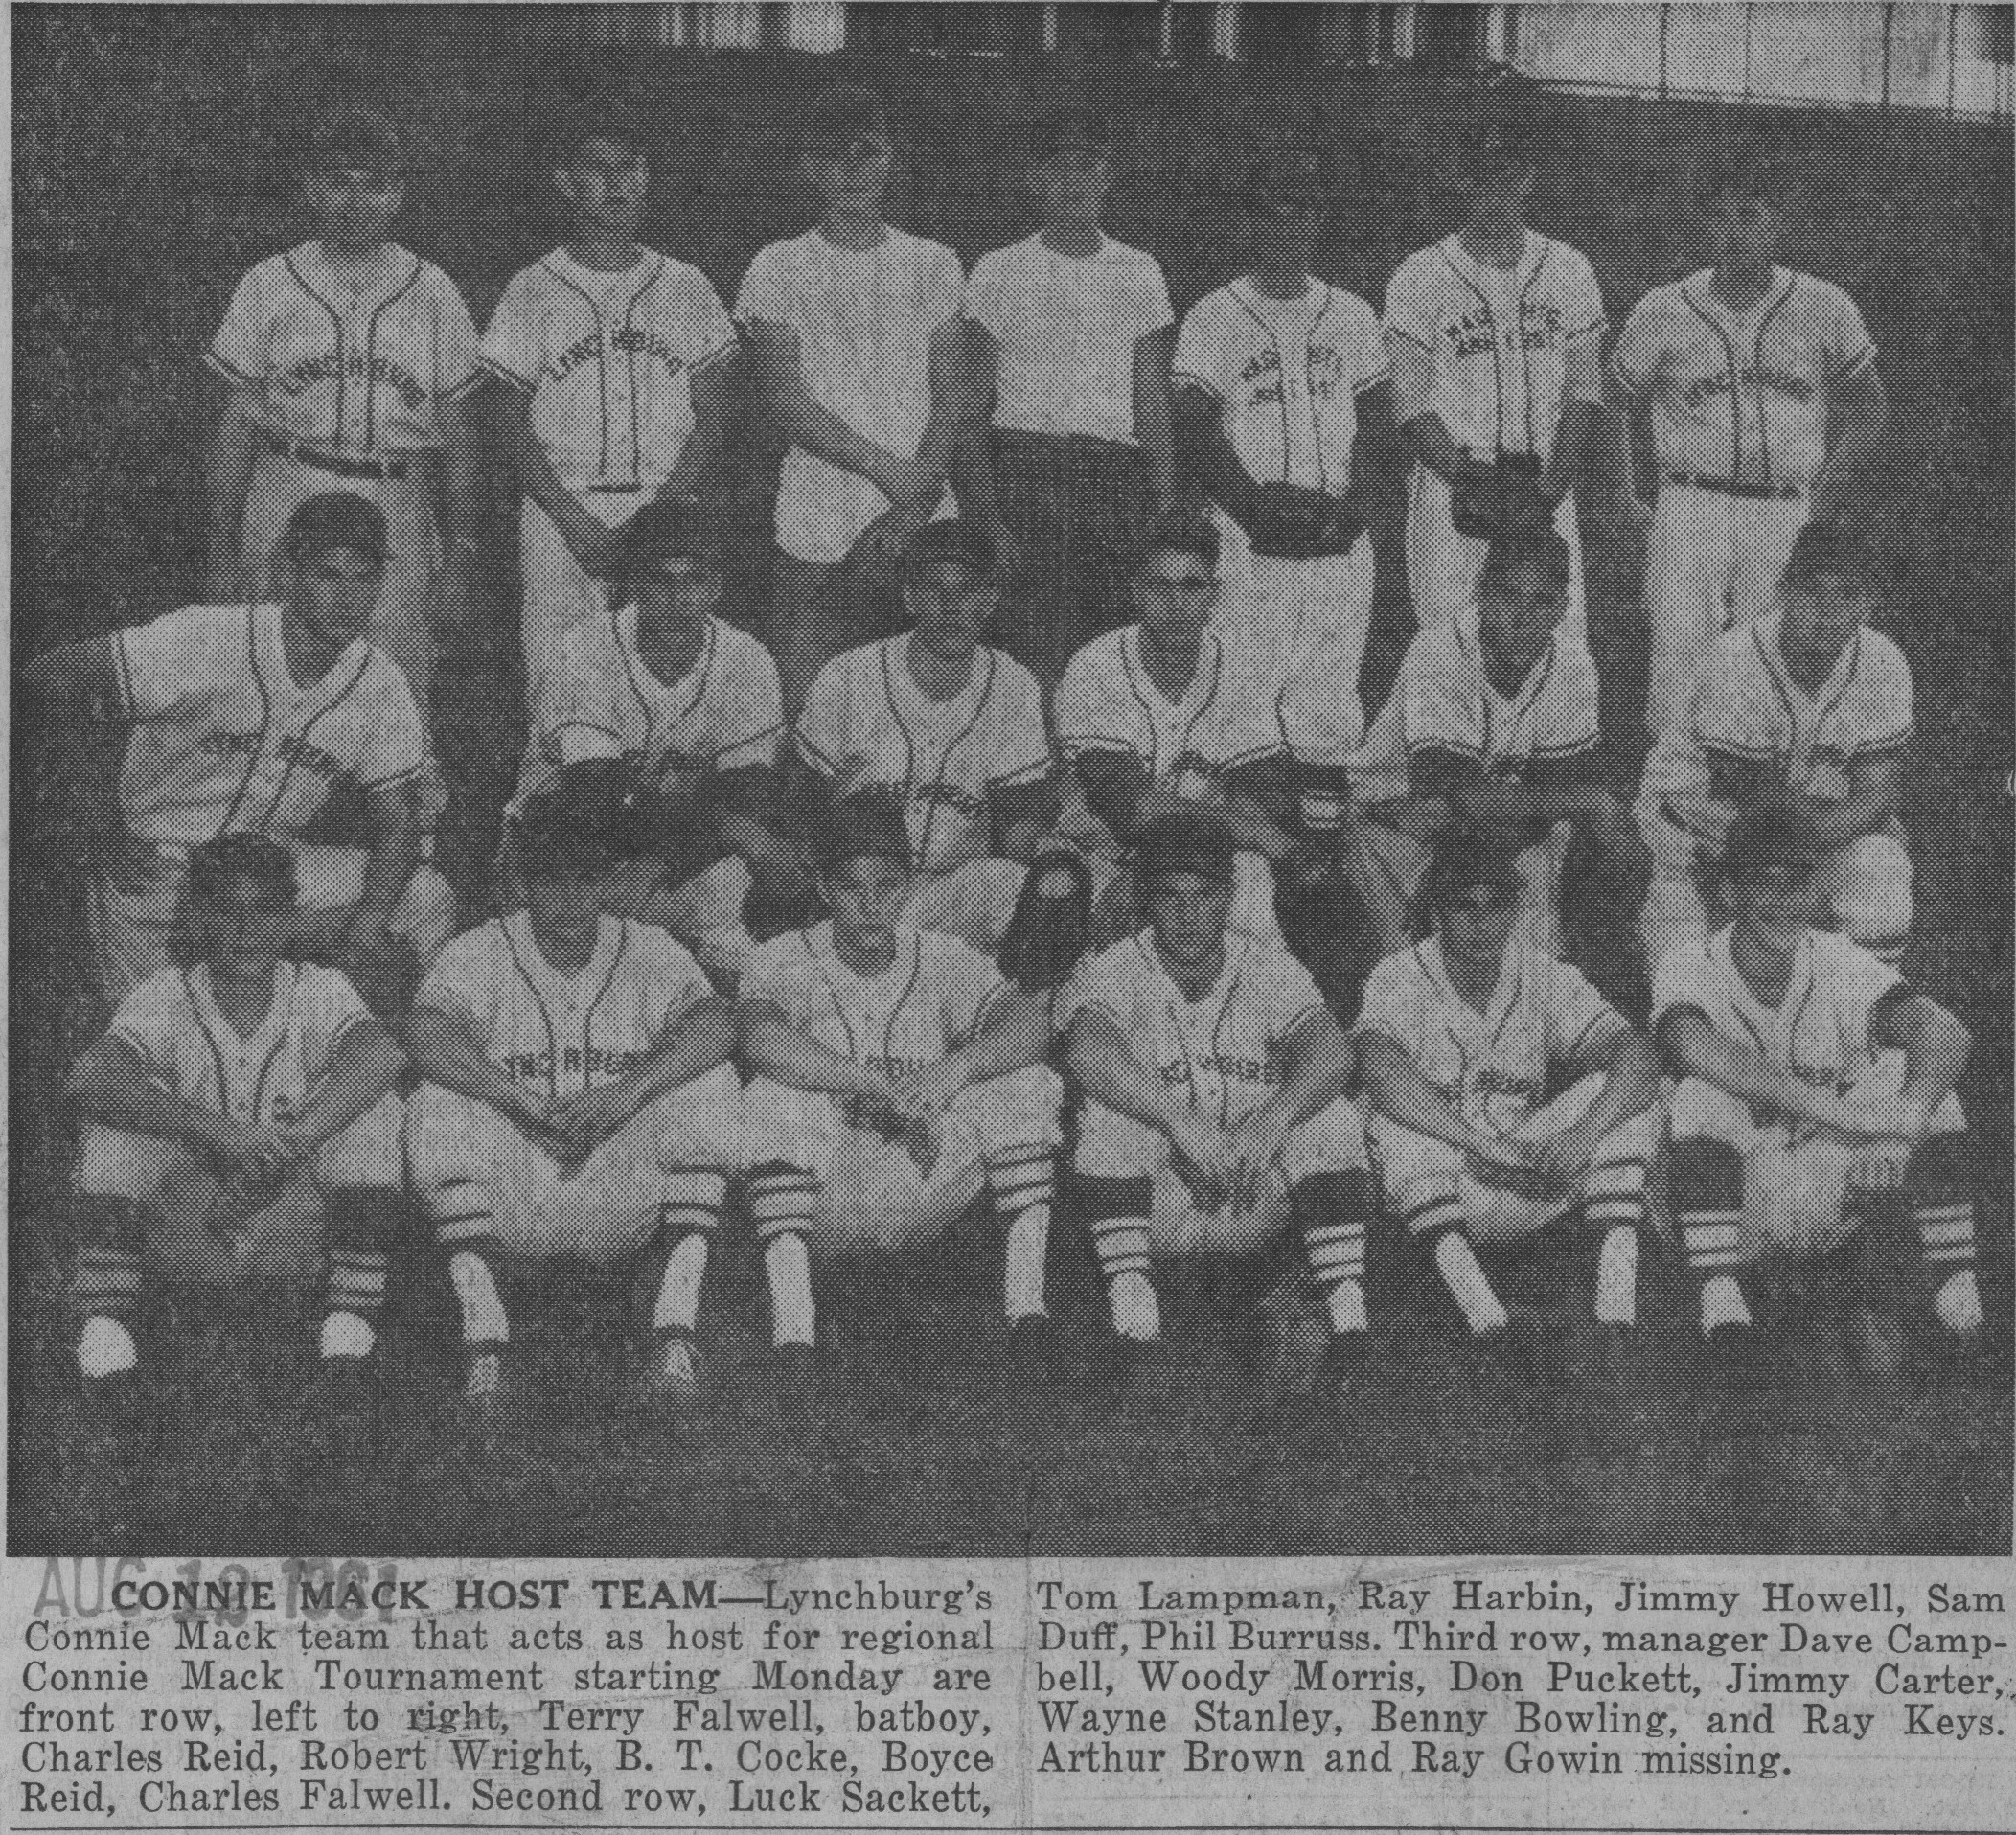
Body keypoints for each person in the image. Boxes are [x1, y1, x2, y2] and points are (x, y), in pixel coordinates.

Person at [24, 493, 454, 1008]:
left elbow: (398, 818)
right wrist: (95, 815)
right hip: (162, 867)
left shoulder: (381, 682)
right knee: (158, 1032)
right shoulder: (209, 635)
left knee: (425, 897)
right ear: (289, 571)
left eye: (364, 579)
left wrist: (367, 924)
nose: (348, 597)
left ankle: (400, 1043)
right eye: (329, 575)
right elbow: (49, 676)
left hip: (272, 879)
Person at [63, 835, 408, 1456]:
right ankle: (108, 1337)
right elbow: (90, 1076)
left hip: (293, 1225)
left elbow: (381, 1053)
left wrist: (288, 1143)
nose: (247, 930)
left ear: (291, 917)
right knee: (115, 1125)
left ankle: (347, 1332)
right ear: (198, 918)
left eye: (265, 910)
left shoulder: (319, 987)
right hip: (192, 1224)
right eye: (227, 911)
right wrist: (221, 1132)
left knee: (374, 1111)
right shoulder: (168, 991)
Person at [404, 784, 742, 1415]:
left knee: (706, 1081)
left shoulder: (647, 947)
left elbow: (718, 1024)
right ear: (522, 884)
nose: (571, 898)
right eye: (552, 881)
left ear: (607, 880)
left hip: (620, 1181)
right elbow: (425, 1032)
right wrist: (517, 1100)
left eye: (585, 880)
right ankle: (484, 1338)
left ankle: (674, 1333)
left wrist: (629, 1091)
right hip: (514, 1184)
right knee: (440, 1094)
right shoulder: (481, 949)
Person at [738, 798, 1065, 1402]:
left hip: (922, 1171)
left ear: (910, 885)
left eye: (886, 886)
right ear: (824, 888)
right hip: (828, 1186)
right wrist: (873, 1084)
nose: (870, 904)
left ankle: (1027, 1313)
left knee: (1024, 1082)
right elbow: (760, 1040)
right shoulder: (781, 955)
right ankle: (794, 1334)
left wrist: (955, 1068)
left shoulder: (942, 955)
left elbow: (1030, 1025)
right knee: (772, 1095)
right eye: (851, 887)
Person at [1065, 813, 1373, 1416]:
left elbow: (1333, 1051)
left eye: (1204, 895)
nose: (1187, 914)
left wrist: (1274, 1119)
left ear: (1229, 896)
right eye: (1170, 896)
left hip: (1250, 1189)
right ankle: (1135, 1322)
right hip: (1158, 1202)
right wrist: (1178, 1122)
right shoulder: (1118, 965)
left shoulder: (1266, 964)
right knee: (1109, 1113)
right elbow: (1086, 1049)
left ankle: (1349, 1325)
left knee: (1330, 1116)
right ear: (1147, 900)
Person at [1655, 809, 1980, 1375]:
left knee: (1931, 1092)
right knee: (1700, 1096)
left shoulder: (1836, 957)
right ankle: (1723, 1312)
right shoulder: (1689, 961)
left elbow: (1943, 1031)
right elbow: (1697, 1048)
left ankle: (1958, 1299)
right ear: (1730, 890)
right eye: (1767, 881)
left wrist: (1901, 1129)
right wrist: (1846, 1117)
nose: (1785, 900)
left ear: (1819, 888)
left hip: (1826, 1182)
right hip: (1730, 1201)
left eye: (1800, 880)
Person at [203, 103, 481, 713]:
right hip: (287, 485)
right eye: (338, 184)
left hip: (396, 493)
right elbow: (238, 423)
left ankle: (396, 774)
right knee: (264, 666)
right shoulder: (269, 282)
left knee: (397, 672)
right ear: (311, 188)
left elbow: (459, 437)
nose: (356, 203)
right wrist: (221, 546)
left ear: (399, 194)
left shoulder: (432, 289)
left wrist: (461, 554)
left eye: (375, 186)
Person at [1354, 825, 1661, 1374]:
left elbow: (1635, 1053)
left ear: (1516, 907)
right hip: (1442, 1182)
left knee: (1627, 1097)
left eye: (1496, 904)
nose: (1482, 923)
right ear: (1436, 912)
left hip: (1528, 1170)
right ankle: (1482, 1314)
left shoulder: (1541, 973)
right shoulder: (1400, 974)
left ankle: (1615, 1310)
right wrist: (1474, 1142)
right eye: (1464, 906)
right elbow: (1379, 1070)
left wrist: (1584, 1132)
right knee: (1394, 1120)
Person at [1609, 160, 1887, 739]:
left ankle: (1765, 774)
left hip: (1784, 504)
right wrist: (1626, 492)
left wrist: (1826, 490)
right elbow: (1614, 403)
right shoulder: (1664, 308)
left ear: (1777, 224)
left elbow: (1869, 408)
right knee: (1680, 644)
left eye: (1749, 217)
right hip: (1691, 501)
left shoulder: (1824, 305)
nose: (1734, 233)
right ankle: (1673, 776)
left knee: (1772, 646)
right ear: (1705, 228)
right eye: (1720, 219)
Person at [480, 103, 741, 693]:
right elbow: (507, 424)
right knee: (558, 683)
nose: (616, 183)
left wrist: (659, 519)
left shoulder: (686, 286)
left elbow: (714, 419)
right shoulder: (532, 288)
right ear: (566, 181)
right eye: (597, 169)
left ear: (646, 175)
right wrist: (574, 521)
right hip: (561, 513)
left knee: (661, 681)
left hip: (666, 506)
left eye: (629, 167)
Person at [736, 86, 973, 709]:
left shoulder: (934, 262)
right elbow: (788, 404)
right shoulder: (777, 266)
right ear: (809, 168)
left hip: (921, 524)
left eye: (866, 152)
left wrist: (914, 503)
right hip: (816, 523)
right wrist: (892, 474)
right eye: (832, 156)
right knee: (811, 711)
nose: (852, 170)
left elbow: (951, 393)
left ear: (890, 157)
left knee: (920, 709)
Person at [518, 497, 801, 990]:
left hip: (682, 851)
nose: (677, 598)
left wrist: (667, 857)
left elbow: (749, 793)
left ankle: (718, 1002)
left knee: (743, 911)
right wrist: (717, 817)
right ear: (634, 583)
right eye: (659, 580)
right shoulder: (585, 647)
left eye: (694, 580)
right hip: (567, 844)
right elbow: (595, 797)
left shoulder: (747, 658)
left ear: (716, 586)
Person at [1347, 530, 1647, 959]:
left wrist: (1578, 807)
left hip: (1501, 829)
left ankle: (1600, 954)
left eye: (1541, 601)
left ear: (1562, 608)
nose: (1522, 618)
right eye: (1509, 595)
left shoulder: (1573, 662)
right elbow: (1452, 793)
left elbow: (1566, 789)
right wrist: (1579, 801)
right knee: (1410, 967)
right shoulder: (1439, 650)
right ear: (1481, 592)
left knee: (1605, 841)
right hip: (1391, 825)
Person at [1175, 154, 1395, 724]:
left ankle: (1320, 782)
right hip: (1247, 532)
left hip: (1337, 528)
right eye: (1271, 211)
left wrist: (1358, 506)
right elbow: (1195, 426)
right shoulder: (1214, 314)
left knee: (1329, 693)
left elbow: (1377, 419)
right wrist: (1253, 509)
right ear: (1250, 221)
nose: (1287, 225)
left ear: (1318, 217)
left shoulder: (1351, 313)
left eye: (1301, 209)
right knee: (1241, 689)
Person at [1637, 519, 1914, 969]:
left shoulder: (1883, 662)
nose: (1828, 611)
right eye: (1813, 591)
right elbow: (1757, 807)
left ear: (1869, 602)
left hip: (1808, 828)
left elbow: (1878, 793)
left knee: (1879, 867)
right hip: (1692, 834)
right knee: (1686, 981)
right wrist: (1830, 852)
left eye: (1847, 594)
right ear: (1784, 589)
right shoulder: (1735, 661)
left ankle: (1866, 1005)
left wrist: (1839, 842)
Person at [960, 106, 1176, 685]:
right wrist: (985, 513)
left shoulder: (1140, 272)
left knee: (1110, 656)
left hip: (1113, 482)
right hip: (1025, 477)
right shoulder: (999, 270)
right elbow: (972, 407)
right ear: (1035, 179)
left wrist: (1161, 503)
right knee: (1029, 655)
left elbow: (1150, 398)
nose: (1075, 180)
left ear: (1109, 175)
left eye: (1090, 164)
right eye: (1059, 166)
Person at [1384, 117, 1609, 635]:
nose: (1493, 192)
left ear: (1526, 178)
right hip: (1454, 485)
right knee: (1448, 636)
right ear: (1460, 181)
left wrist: (1550, 489)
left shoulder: (1569, 268)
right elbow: (1411, 405)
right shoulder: (1420, 274)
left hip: (1546, 482)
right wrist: (1469, 481)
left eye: (1506, 175)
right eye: (1480, 176)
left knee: (1557, 637)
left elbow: (1584, 393)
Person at [793, 520, 1053, 954]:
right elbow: (798, 808)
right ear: (910, 597)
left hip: (950, 894)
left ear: (989, 599)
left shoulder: (1014, 684)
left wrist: (1053, 853)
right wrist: (830, 804)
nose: (951, 606)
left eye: (968, 590)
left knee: (1022, 886)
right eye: (935, 589)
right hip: (858, 890)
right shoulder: (849, 674)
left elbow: (1018, 821)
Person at [1055, 515, 1294, 944]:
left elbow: (1261, 798)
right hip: (1100, 856)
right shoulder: (1095, 666)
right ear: (1136, 592)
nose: (1175, 603)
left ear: (1213, 594)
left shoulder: (1240, 667)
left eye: (1191, 586)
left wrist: (1254, 830)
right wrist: (1257, 832)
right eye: (1158, 586)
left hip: (1211, 857)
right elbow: (1131, 808)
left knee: (1256, 891)